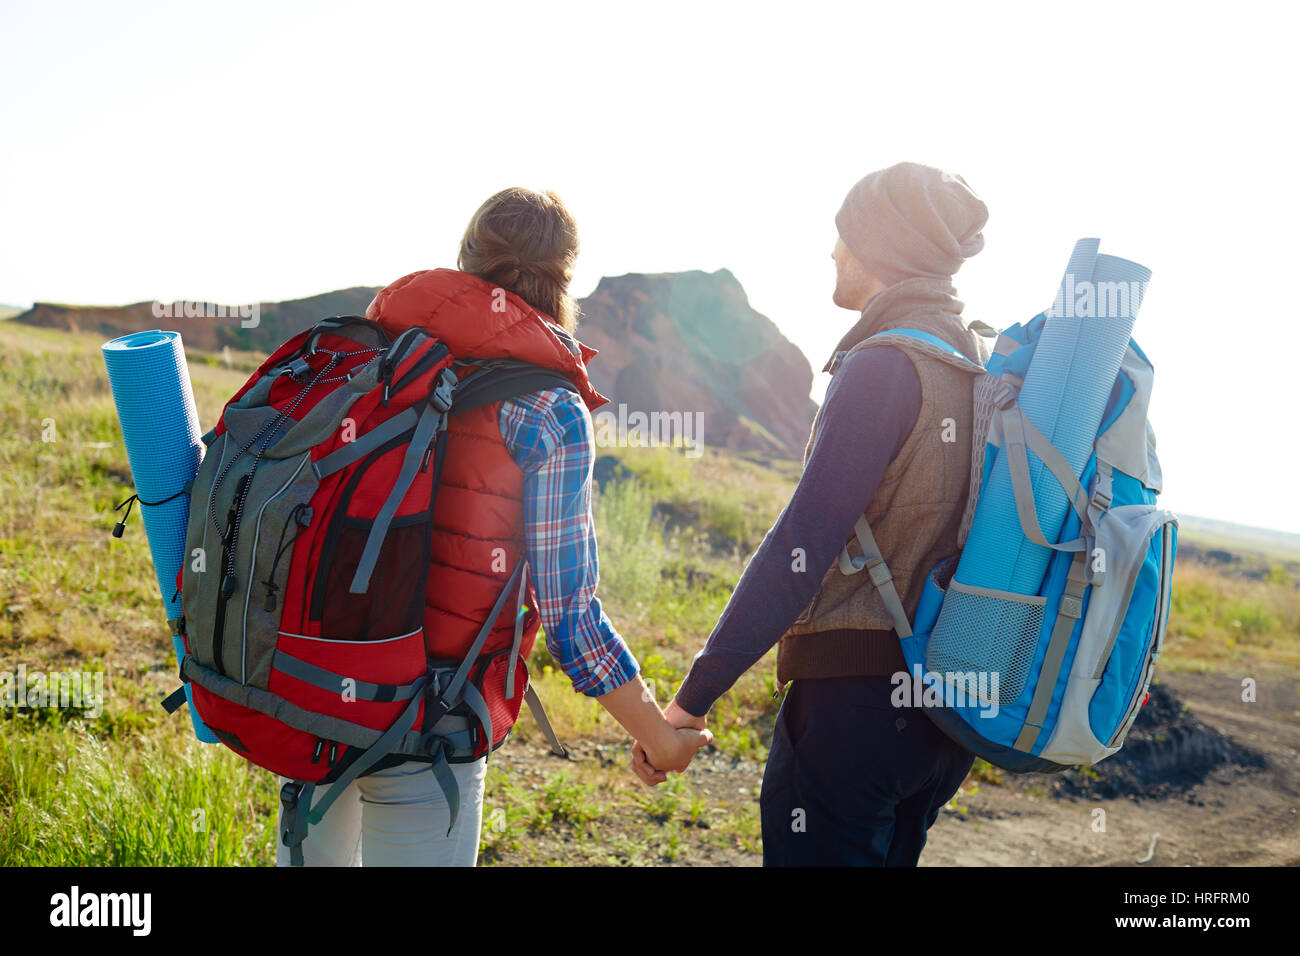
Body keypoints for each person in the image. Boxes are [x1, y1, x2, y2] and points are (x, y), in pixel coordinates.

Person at [277, 187, 710, 866]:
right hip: (430, 725)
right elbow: (571, 619)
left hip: (312, 693)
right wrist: (660, 738)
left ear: (464, 258)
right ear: (566, 279)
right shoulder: (548, 408)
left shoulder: (367, 357)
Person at [633, 162, 989, 866]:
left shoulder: (885, 365)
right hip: (944, 724)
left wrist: (688, 704)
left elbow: (801, 548)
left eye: (845, 236)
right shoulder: (977, 368)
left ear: (883, 246)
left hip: (852, 713)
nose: (834, 252)